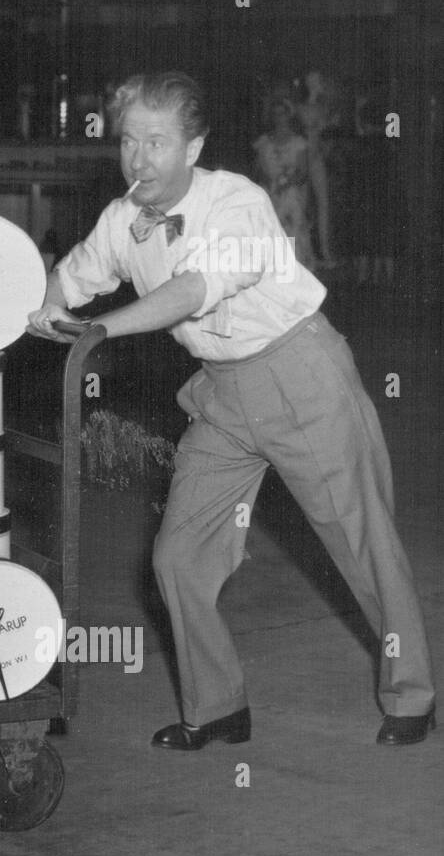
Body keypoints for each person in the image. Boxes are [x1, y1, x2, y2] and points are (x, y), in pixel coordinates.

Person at [27, 71, 435, 749]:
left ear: (194, 147)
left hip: (299, 373)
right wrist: (33, 302)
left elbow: (193, 289)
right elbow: (69, 276)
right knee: (177, 555)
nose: (139, 158)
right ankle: (217, 707)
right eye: (129, 140)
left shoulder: (238, 202)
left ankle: (413, 695)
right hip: (222, 391)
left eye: (157, 142)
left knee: (363, 542)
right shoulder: (122, 218)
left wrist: (103, 329)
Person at [253, 94, 317, 269]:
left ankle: (296, 272)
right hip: (269, 193)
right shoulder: (263, 142)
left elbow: (303, 172)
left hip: (291, 194)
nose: (279, 117)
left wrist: (286, 184)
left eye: (282, 113)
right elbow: (258, 170)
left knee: (293, 230)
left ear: (289, 115)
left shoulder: (298, 142)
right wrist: (270, 185)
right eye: (275, 114)